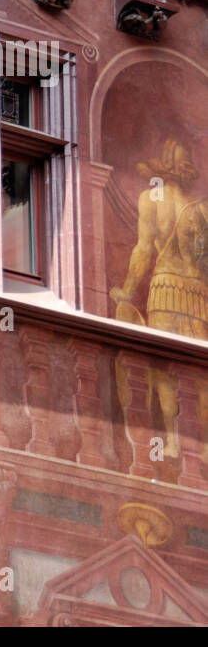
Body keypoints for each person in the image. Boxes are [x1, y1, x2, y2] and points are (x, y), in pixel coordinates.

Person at [111, 138, 208, 459]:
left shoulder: (151, 197)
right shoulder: (202, 208)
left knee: (165, 369)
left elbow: (143, 249)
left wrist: (126, 290)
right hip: (198, 293)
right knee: (202, 372)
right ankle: (206, 448)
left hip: (165, 289)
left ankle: (173, 440)